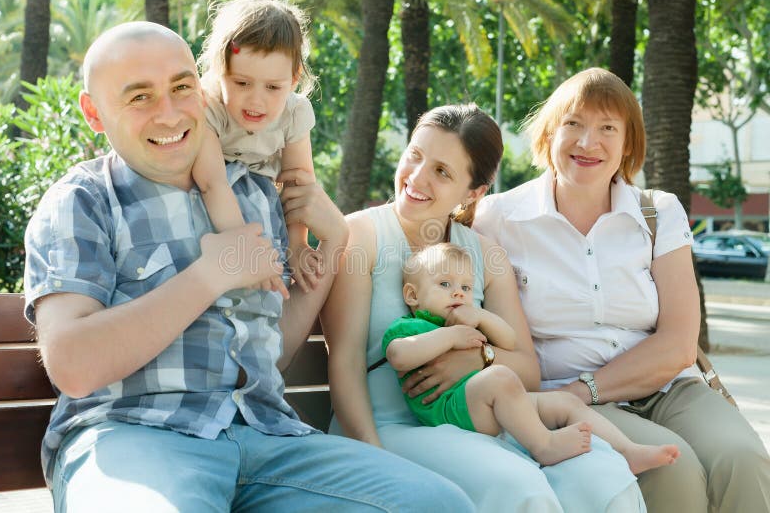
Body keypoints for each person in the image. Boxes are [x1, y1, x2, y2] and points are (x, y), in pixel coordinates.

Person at [23, 21, 476, 512]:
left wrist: (333, 243)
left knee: (439, 503)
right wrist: (210, 274)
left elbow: (269, 353)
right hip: (134, 433)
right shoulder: (84, 201)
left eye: (180, 88)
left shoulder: (256, 195)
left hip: (268, 435)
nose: (169, 112)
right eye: (140, 98)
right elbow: (72, 365)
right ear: (94, 112)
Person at [322, 103, 647, 512]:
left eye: (442, 171)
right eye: (416, 155)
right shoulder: (362, 235)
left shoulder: (485, 255)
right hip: (385, 429)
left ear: (474, 192)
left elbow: (527, 369)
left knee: (604, 477)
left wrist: (479, 357)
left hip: (480, 419)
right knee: (519, 487)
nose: (417, 177)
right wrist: (373, 456)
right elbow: (345, 361)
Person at [473, 67, 770, 512]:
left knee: (744, 457)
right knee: (674, 468)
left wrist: (584, 390)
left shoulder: (658, 212)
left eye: (607, 128)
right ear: (550, 132)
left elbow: (678, 343)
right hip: (562, 397)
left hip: (669, 388)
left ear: (627, 144)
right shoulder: (498, 218)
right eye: (573, 124)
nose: (588, 142)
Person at [384, 242, 680, 472]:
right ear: (412, 295)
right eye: (445, 285)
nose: (458, 294)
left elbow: (509, 340)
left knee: (565, 401)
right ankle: (544, 445)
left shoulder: (469, 322)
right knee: (499, 376)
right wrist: (450, 337)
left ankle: (628, 452)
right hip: (448, 411)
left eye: (465, 288)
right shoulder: (411, 326)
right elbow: (398, 355)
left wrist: (482, 316)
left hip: (488, 403)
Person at [194, 0, 322, 293]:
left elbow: (298, 182)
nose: (256, 100)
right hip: (213, 206)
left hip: (265, 211)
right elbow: (212, 183)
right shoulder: (207, 105)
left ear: (293, 79)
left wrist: (298, 243)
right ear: (219, 69)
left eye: (273, 87)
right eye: (241, 83)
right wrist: (245, 247)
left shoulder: (294, 112)